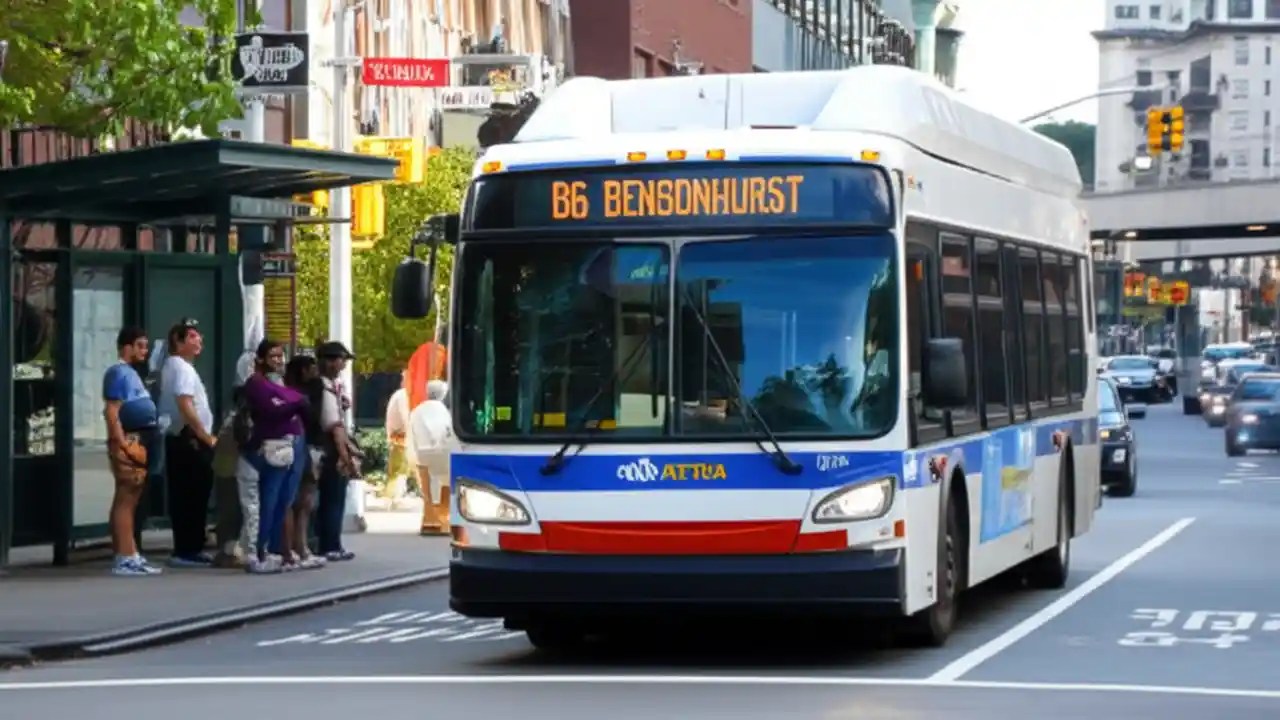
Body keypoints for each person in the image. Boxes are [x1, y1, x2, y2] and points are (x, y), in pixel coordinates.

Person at [239, 339, 309, 574]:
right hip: (264, 448)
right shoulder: (257, 384)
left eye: (281, 356)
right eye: (273, 356)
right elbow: (275, 409)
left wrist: (292, 401)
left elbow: (287, 401)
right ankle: (256, 553)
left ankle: (265, 551)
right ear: (260, 359)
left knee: (278, 503)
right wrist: (295, 402)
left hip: (281, 448)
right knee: (263, 505)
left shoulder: (277, 384)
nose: (279, 361)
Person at [157, 318, 217, 568]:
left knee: (193, 495)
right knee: (191, 495)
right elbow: (185, 403)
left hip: (184, 439)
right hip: (188, 440)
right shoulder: (181, 368)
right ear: (178, 342)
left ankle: (191, 547)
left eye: (198, 335)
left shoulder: (178, 366)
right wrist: (205, 436)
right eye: (192, 336)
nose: (199, 340)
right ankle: (187, 549)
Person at [103, 327, 163, 576]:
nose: (144, 351)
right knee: (126, 498)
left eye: (146, 346)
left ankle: (130, 552)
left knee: (132, 498)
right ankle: (124, 556)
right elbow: (112, 410)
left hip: (140, 436)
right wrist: (122, 443)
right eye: (139, 345)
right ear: (125, 347)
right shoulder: (118, 372)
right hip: (131, 437)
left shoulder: (131, 373)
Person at [210, 352, 256, 569]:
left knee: (232, 505)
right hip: (233, 459)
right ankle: (229, 549)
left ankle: (230, 548)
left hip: (229, 459)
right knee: (233, 506)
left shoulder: (234, 410)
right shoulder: (241, 410)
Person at [315, 341, 360, 562]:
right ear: (332, 361)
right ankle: (330, 544)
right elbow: (334, 425)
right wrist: (345, 455)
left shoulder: (330, 386)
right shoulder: (325, 388)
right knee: (333, 497)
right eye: (341, 360)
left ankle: (328, 542)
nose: (343, 365)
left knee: (330, 498)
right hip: (331, 447)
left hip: (328, 446)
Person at [282, 355, 326, 570]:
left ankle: (292, 548)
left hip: (294, 444)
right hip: (309, 446)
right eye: (312, 367)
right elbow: (315, 418)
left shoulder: (287, 390)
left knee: (292, 500)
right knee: (304, 500)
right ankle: (299, 547)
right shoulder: (312, 392)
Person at [411, 380, 456, 536]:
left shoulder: (417, 411)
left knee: (428, 491)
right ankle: (444, 521)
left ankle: (429, 520)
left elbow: (412, 436)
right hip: (443, 453)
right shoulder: (445, 411)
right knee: (446, 485)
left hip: (422, 456)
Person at [385, 372, 414, 496]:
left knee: (400, 469)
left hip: (398, 437)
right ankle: (394, 497)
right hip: (401, 437)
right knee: (399, 469)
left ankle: (394, 496)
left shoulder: (400, 395)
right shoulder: (403, 395)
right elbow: (405, 417)